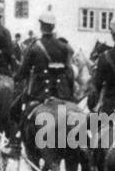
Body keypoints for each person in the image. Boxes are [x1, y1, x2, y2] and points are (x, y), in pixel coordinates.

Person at [9, 11, 76, 148]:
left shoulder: (34, 47)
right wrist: (70, 94)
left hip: (40, 94)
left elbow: (23, 71)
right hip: (62, 93)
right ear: (53, 27)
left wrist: (16, 78)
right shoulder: (63, 46)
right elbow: (70, 73)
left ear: (41, 26)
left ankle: (15, 143)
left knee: (14, 110)